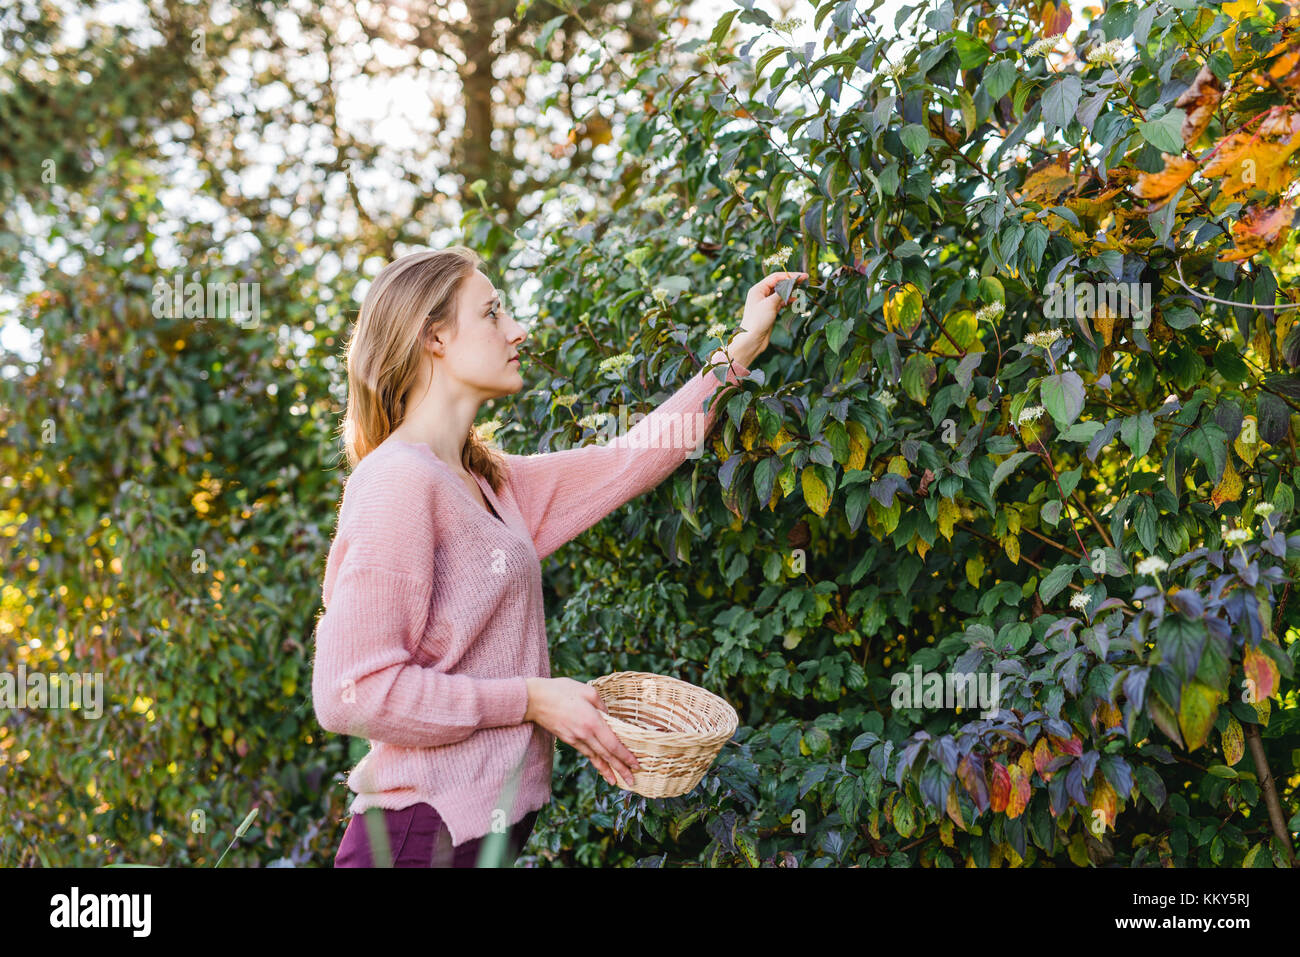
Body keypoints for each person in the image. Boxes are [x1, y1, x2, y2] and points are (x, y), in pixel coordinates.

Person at [312, 246, 807, 867]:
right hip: (417, 839)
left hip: (471, 835)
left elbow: (629, 458)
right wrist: (530, 699)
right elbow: (349, 692)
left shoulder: (485, 480)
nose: (517, 329)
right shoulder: (398, 483)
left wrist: (743, 347)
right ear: (434, 338)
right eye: (492, 313)